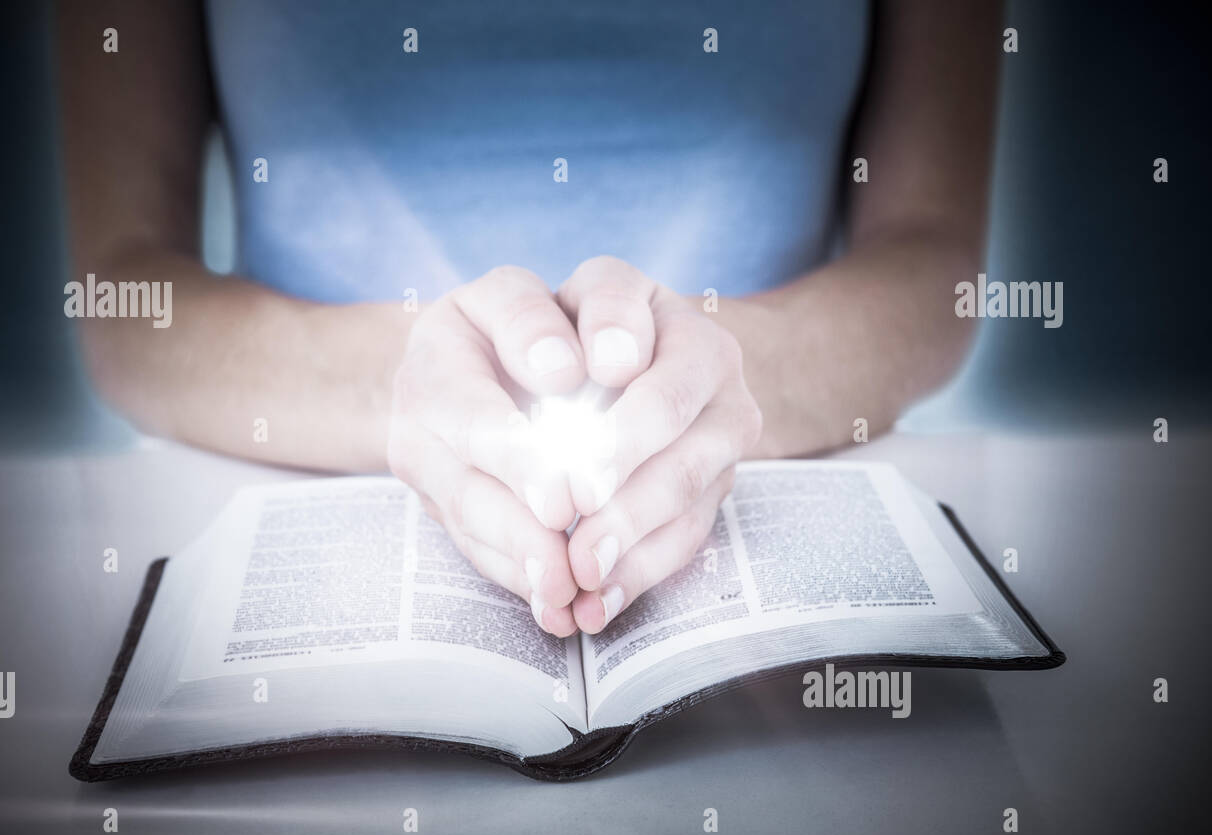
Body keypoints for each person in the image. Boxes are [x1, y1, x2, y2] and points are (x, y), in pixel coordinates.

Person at [56, 0, 997, 638]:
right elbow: (123, 294)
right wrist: (417, 390)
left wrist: (714, 384)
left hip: (772, 510)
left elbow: (931, 257)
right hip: (282, 508)